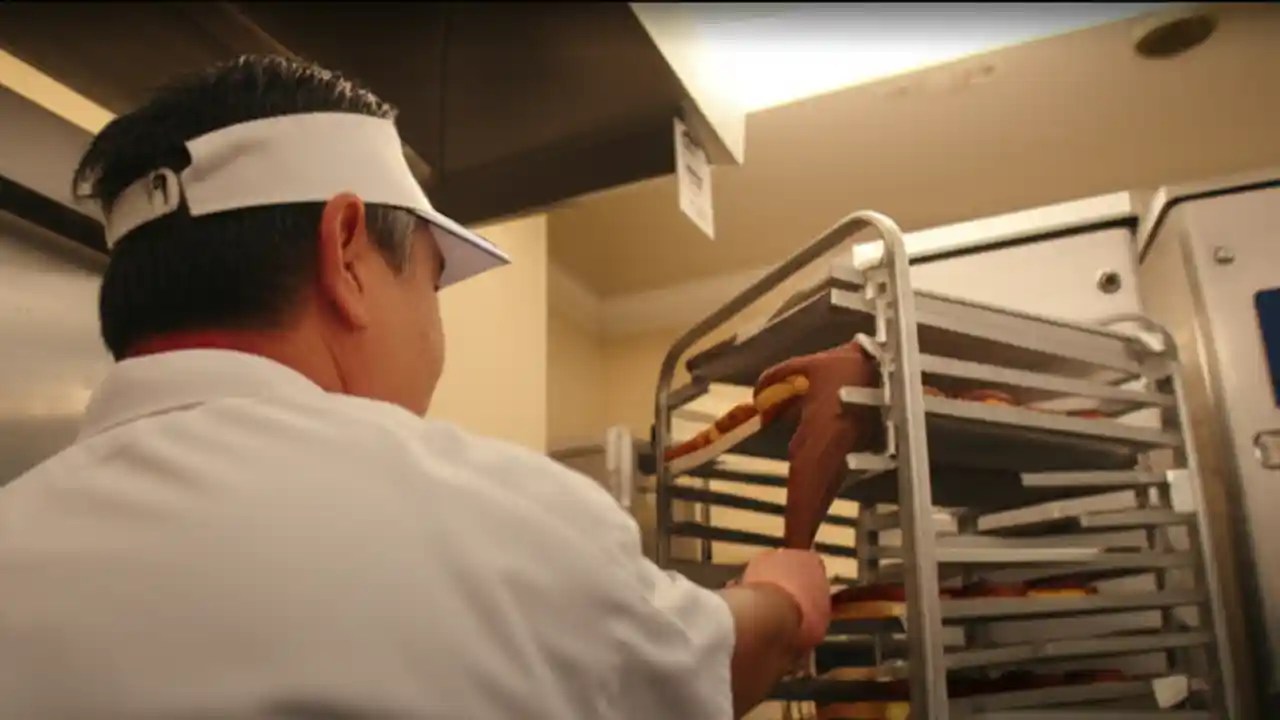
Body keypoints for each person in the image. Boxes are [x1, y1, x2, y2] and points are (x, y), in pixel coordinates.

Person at [0, 55, 847, 719]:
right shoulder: (496, 517)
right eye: (431, 283)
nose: (436, 337)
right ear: (345, 251)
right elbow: (694, 668)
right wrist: (784, 595)